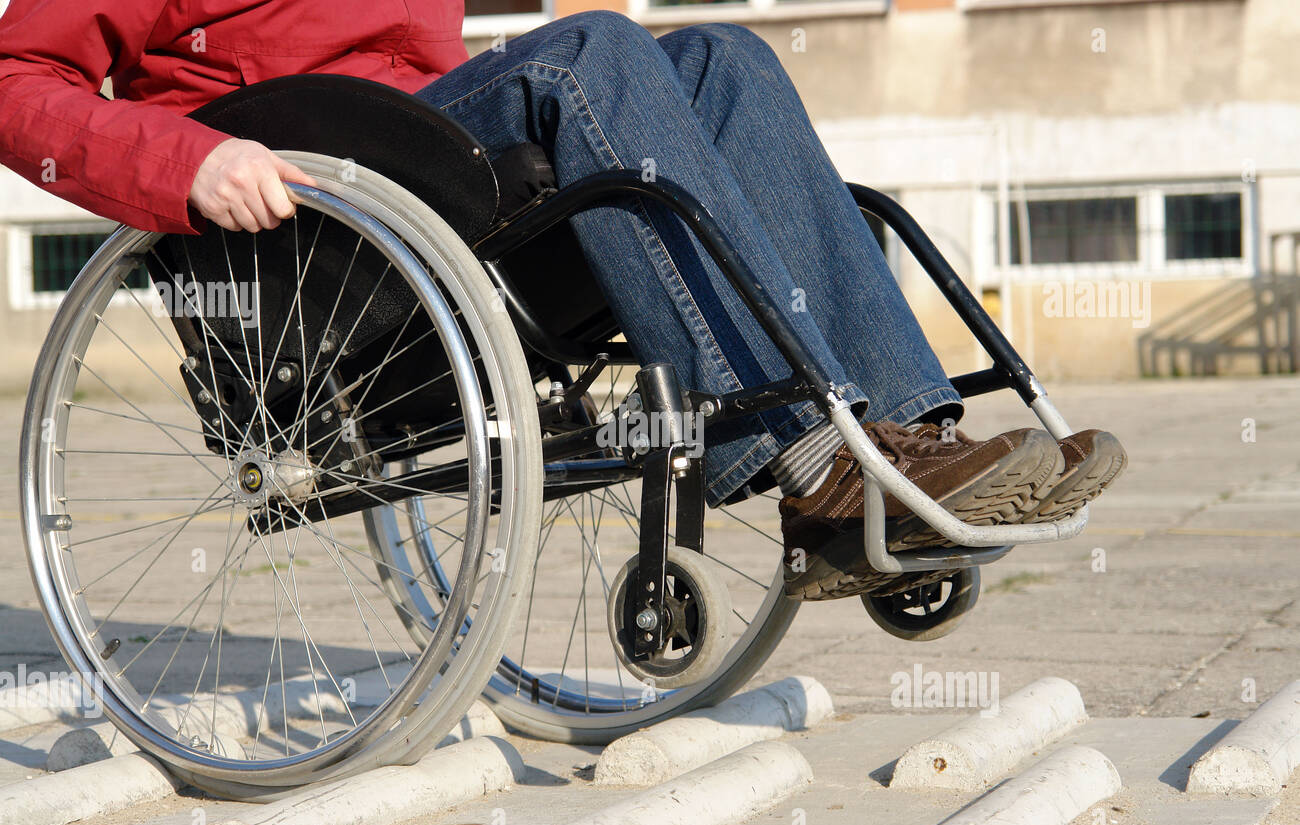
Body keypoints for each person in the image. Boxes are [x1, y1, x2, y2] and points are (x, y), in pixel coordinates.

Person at [0, 0, 1124, 601]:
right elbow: (15, 86)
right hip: (309, 229)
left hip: (427, 180)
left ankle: (902, 436)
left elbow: (423, 83)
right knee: (592, 53)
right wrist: (180, 161)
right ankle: (813, 464)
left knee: (726, 58)